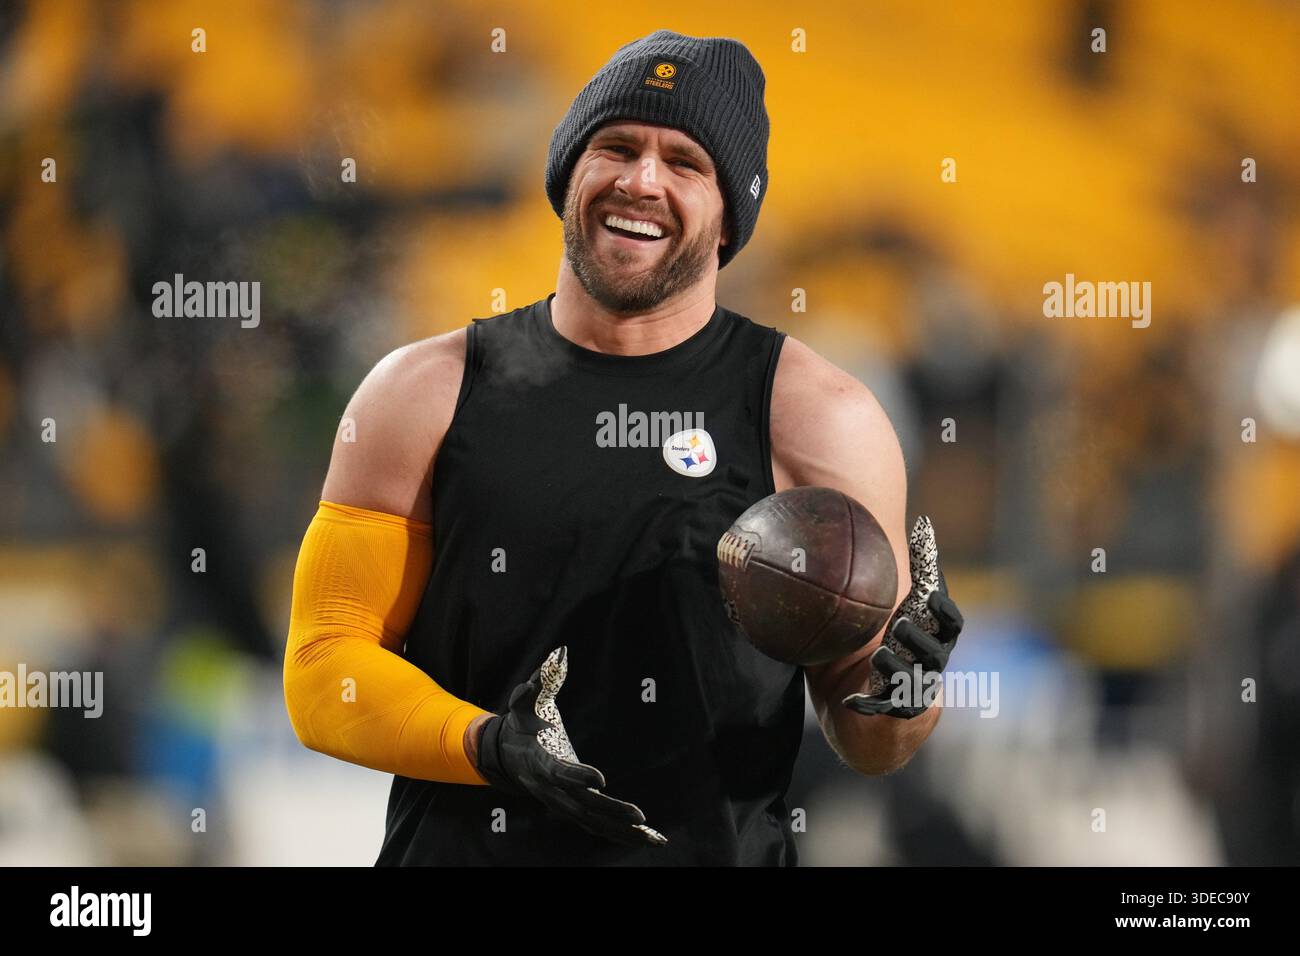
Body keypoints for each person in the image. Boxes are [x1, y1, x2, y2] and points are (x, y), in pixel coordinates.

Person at [283, 29, 963, 866]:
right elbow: (324, 670)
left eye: (685, 162)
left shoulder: (819, 416)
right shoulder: (419, 392)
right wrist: (489, 745)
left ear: (728, 217)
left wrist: (907, 690)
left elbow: (869, 739)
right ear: (570, 171)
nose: (640, 180)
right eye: (617, 146)